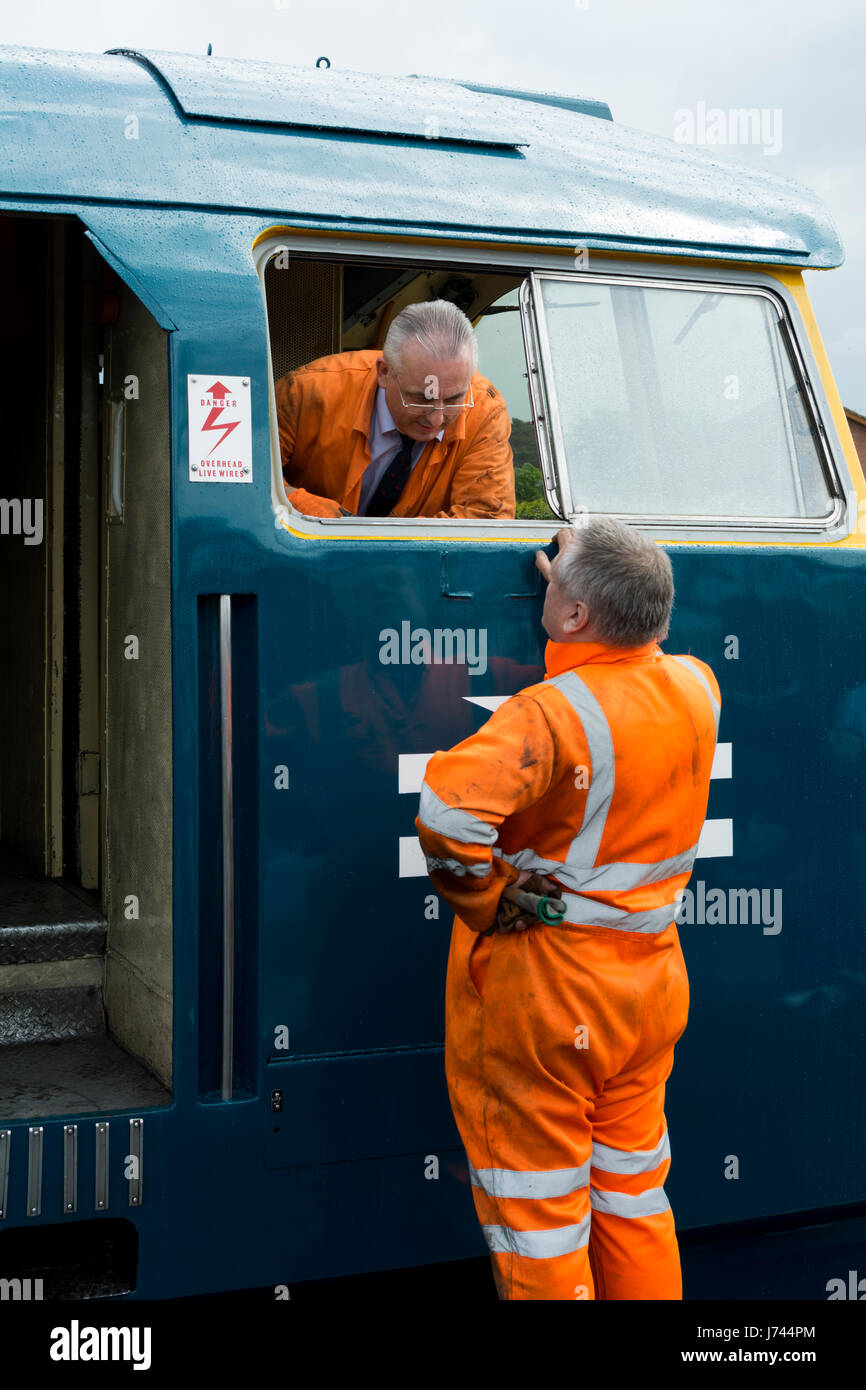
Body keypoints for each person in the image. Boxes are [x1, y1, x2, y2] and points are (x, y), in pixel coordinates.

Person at [415, 518, 720, 1301]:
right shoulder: (696, 684)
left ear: (578, 616)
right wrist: (585, 576)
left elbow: (449, 817)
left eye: (555, 583)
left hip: (551, 998)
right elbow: (625, 644)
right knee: (634, 1197)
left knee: (541, 1220)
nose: (543, 582)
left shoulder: (548, 715)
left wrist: (484, 899)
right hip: (650, 993)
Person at [275, 299, 515, 519]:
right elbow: (244, 474)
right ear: (384, 373)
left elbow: (487, 521)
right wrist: (303, 509)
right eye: (420, 398)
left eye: (454, 399)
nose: (436, 419)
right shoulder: (307, 392)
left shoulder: (485, 413)